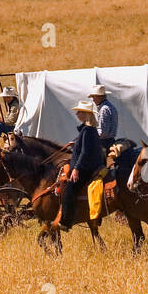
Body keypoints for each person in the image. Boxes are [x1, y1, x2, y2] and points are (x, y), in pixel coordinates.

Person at [54, 99, 104, 231]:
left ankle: (66, 221)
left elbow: (85, 152)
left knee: (70, 190)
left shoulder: (87, 130)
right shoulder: (88, 130)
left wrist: (76, 168)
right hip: (89, 165)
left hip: (86, 168)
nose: (77, 115)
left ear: (86, 114)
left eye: (79, 112)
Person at [90, 84, 118, 153]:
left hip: (104, 143)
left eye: (93, 97)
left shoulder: (104, 109)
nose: (93, 100)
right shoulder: (111, 106)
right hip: (110, 141)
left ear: (98, 97)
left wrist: (91, 135)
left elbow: (103, 132)